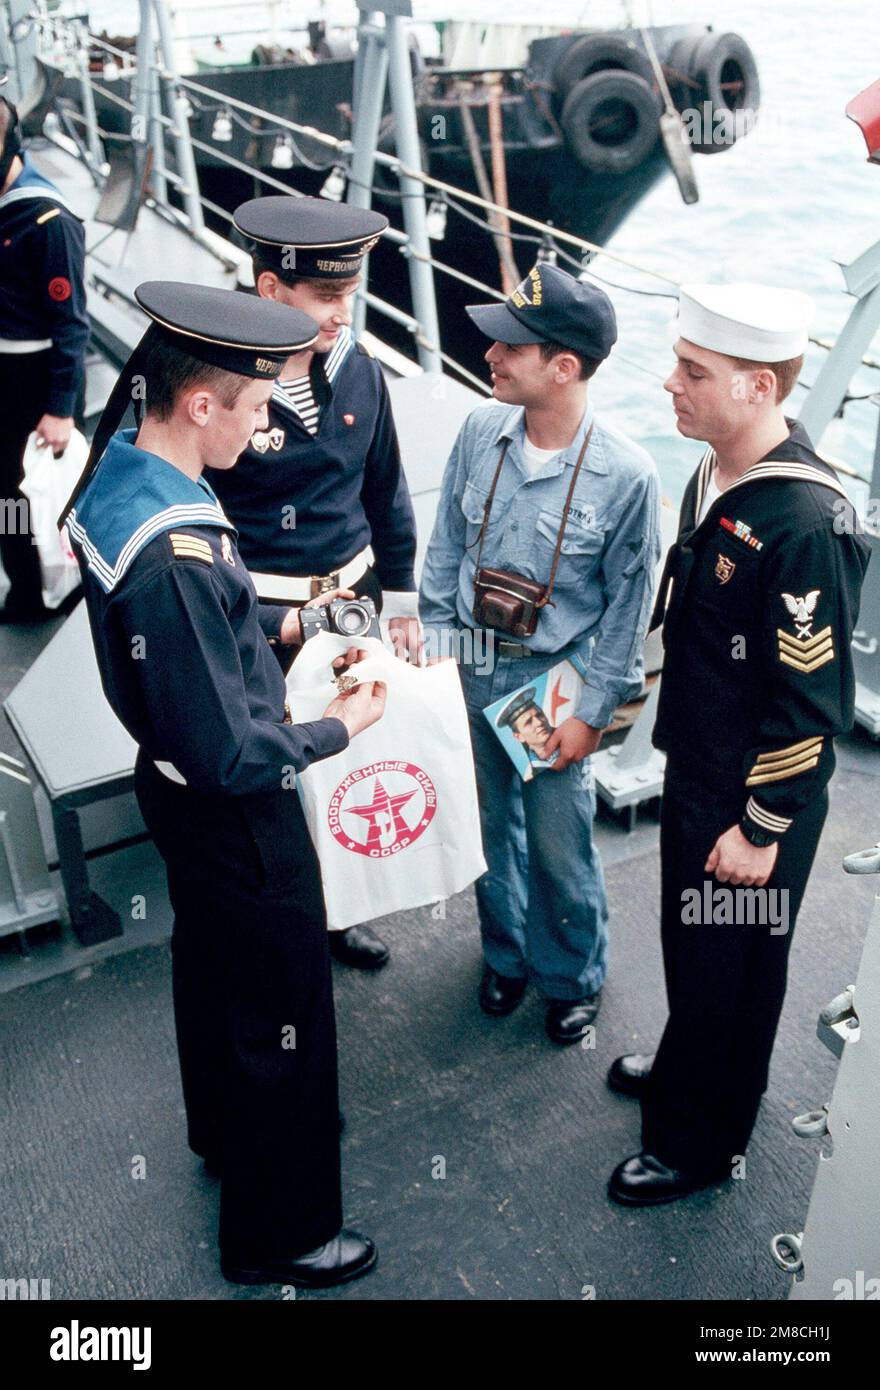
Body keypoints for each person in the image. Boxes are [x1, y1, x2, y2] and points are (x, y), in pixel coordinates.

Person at [62, 281, 386, 1288]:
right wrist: (344, 722)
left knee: (210, 972)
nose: (261, 429)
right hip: (234, 810)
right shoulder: (179, 556)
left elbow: (199, 651)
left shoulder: (121, 478)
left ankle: (219, 1131)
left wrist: (293, 629)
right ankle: (282, 1233)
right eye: (252, 408)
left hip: (171, 787)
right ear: (200, 403)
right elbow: (237, 754)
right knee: (283, 1006)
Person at [607, 282, 871, 1206]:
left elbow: (812, 705)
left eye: (694, 371)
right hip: (701, 766)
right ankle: (691, 1066)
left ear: (760, 389)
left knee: (735, 963)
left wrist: (761, 828)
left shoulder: (804, 524)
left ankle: (702, 1140)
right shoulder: (716, 471)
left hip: (755, 796)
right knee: (698, 950)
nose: (670, 384)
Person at [419, 263, 662, 1044]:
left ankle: (569, 976)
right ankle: (507, 957)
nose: (488, 356)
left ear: (563, 368)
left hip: (552, 680)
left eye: (509, 348)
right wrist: (435, 639)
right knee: (488, 828)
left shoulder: (627, 476)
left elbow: (629, 608)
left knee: (560, 844)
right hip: (468, 662)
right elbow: (447, 545)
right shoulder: (476, 431)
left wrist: (593, 714)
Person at [207, 194, 419, 971]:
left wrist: (399, 604)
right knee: (274, 775)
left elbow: (387, 494)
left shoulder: (359, 369)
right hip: (267, 622)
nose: (342, 314)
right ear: (270, 292)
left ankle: (339, 913)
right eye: (327, 297)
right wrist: (262, 622)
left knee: (348, 761)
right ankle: (287, 924)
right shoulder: (220, 385)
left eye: (350, 296)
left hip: (354, 610)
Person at [0, 93, 88, 622]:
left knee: (36, 494)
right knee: (5, 492)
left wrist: (60, 407)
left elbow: (71, 322)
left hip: (32, 377)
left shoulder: (46, 217)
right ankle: (26, 584)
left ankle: (54, 588)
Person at [496, 687, 556, 768]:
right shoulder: (532, 772)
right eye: (528, 722)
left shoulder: (574, 737)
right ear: (519, 737)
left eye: (539, 715)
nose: (539, 722)